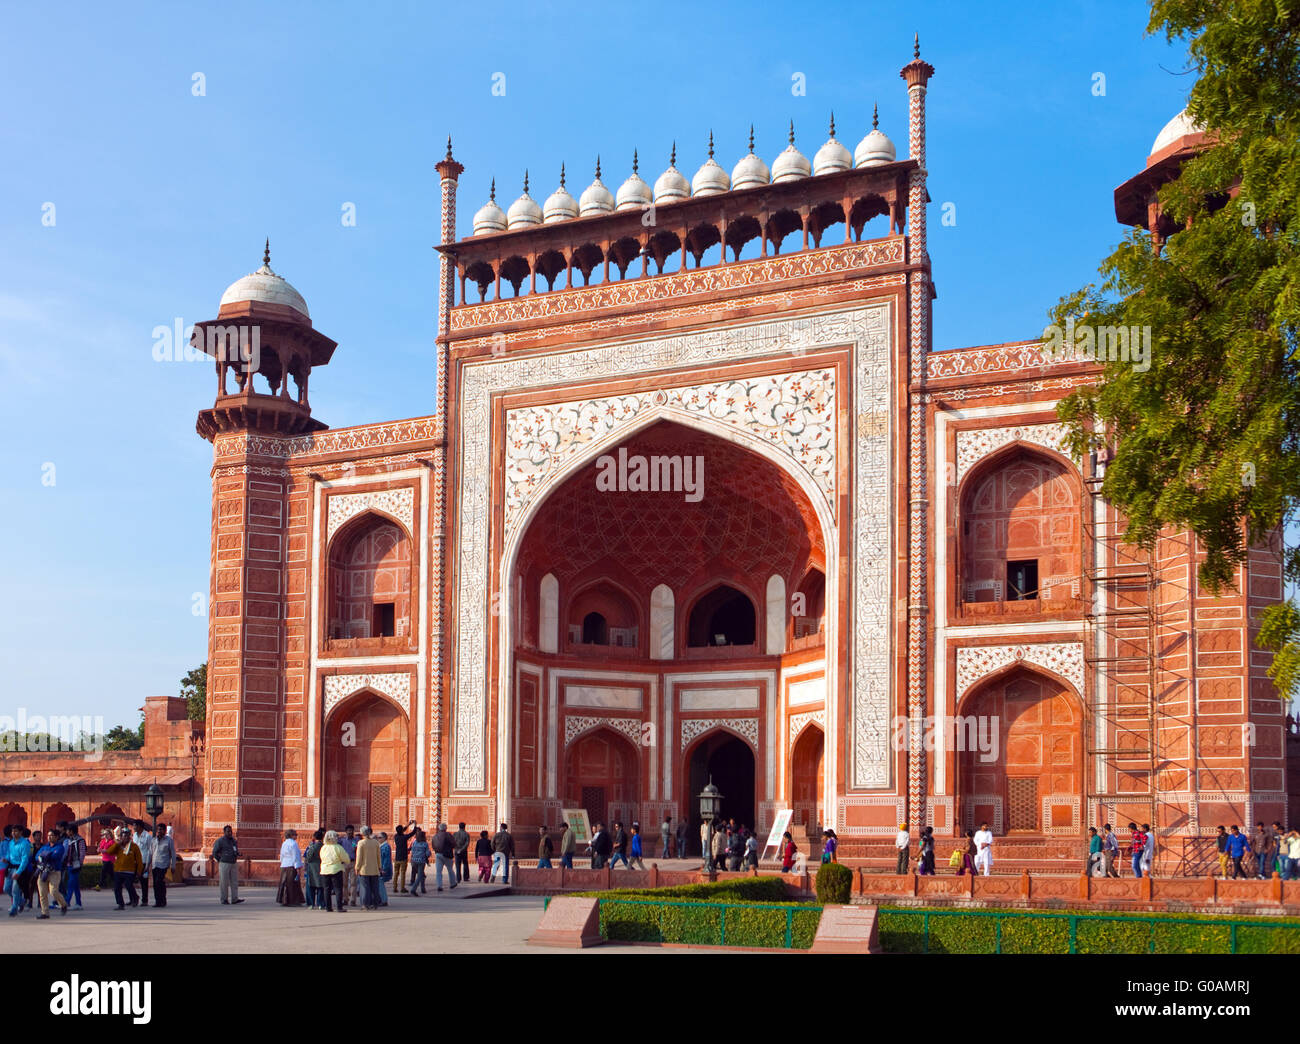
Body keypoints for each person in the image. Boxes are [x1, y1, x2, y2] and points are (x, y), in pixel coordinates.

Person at [108, 827, 143, 910]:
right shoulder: (118, 846)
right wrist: (117, 844)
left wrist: (139, 871)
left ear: (130, 837)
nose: (125, 838)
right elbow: (109, 852)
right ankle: (120, 904)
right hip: (118, 870)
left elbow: (139, 860)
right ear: (121, 837)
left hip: (129, 871)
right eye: (124, 836)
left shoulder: (134, 847)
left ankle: (135, 897)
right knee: (117, 888)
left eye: (127, 836)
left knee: (128, 885)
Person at [318, 830, 350, 913]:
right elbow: (345, 858)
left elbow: (321, 857)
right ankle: (339, 907)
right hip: (336, 869)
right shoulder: (338, 847)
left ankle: (328, 907)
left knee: (326, 889)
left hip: (325, 869)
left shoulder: (323, 847)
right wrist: (345, 862)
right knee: (338, 889)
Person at [212, 824, 243, 903]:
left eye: (231, 831)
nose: (230, 833)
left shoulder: (233, 841)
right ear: (224, 832)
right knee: (224, 882)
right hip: (224, 863)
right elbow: (215, 852)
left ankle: (234, 898)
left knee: (234, 882)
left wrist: (237, 854)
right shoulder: (220, 841)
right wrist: (220, 860)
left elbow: (235, 850)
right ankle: (224, 899)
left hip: (233, 863)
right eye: (228, 831)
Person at [354, 826, 381, 910]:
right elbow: (378, 856)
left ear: (362, 833)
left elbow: (359, 857)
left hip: (364, 869)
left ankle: (365, 904)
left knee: (365, 887)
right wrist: (379, 867)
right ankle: (375, 904)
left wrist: (357, 867)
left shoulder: (361, 843)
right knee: (374, 887)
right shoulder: (376, 842)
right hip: (374, 868)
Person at [7, 827, 31, 916]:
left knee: (15, 889)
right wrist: (6, 859)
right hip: (10, 867)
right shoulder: (11, 842)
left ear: (20, 832)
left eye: (15, 831)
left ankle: (14, 909)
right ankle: (21, 902)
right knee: (6, 888)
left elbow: (25, 859)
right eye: (12, 831)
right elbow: (9, 854)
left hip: (19, 868)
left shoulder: (24, 843)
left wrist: (19, 872)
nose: (13, 833)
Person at [277, 829, 304, 907]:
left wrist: (282, 862)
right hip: (291, 865)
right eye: (295, 834)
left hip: (284, 865)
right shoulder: (293, 843)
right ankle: (293, 900)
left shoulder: (284, 843)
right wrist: (298, 867)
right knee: (292, 884)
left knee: (284, 883)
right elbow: (295, 856)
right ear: (292, 835)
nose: (296, 836)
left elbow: (281, 855)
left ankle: (283, 899)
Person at [151, 824, 175, 907]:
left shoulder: (169, 840)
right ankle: (158, 901)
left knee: (159, 881)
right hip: (155, 864)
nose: (159, 831)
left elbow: (173, 853)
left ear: (165, 831)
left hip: (163, 864)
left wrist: (173, 865)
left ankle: (162, 900)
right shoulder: (154, 840)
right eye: (158, 829)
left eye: (161, 829)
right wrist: (147, 865)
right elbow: (150, 853)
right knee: (155, 884)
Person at [62, 824, 86, 910]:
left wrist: (80, 863)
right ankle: (78, 903)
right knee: (75, 885)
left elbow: (82, 853)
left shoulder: (80, 840)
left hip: (75, 865)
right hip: (69, 864)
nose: (67, 832)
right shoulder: (69, 840)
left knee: (70, 884)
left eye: (68, 831)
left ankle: (66, 902)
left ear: (71, 831)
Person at [132, 821, 154, 908]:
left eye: (135, 826)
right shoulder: (134, 836)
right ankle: (133, 898)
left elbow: (150, 850)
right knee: (129, 880)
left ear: (140, 826)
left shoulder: (148, 836)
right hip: (135, 861)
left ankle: (144, 900)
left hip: (144, 861)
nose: (133, 828)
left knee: (144, 882)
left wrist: (148, 864)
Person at [391, 820, 416, 894]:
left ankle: (394, 887)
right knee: (402, 873)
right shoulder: (404, 837)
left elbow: (401, 831)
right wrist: (415, 824)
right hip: (403, 858)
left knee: (396, 873)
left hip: (397, 858)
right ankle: (402, 888)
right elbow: (413, 833)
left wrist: (407, 825)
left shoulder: (396, 837)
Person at [303, 829, 325, 909]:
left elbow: (308, 857)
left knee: (311, 886)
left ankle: (311, 903)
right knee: (321, 886)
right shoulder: (324, 846)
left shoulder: (312, 846)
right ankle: (321, 903)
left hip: (312, 867)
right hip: (322, 867)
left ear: (314, 837)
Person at [432, 823, 457, 892]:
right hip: (446, 854)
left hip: (438, 854)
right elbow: (454, 844)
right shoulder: (448, 835)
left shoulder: (435, 836)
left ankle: (439, 885)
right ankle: (453, 883)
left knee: (438, 871)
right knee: (450, 869)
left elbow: (433, 845)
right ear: (445, 828)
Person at [339, 825, 359, 906]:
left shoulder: (355, 840)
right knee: (344, 883)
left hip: (353, 862)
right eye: (349, 830)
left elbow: (356, 850)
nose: (350, 832)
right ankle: (345, 899)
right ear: (346, 832)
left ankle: (353, 900)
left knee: (353, 882)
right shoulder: (342, 841)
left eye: (351, 830)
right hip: (344, 863)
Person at [409, 828, 430, 895]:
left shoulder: (414, 842)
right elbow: (427, 854)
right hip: (421, 861)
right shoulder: (425, 844)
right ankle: (413, 889)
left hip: (414, 860)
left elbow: (412, 851)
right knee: (420, 876)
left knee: (421, 874)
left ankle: (423, 888)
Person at [97, 829, 116, 893]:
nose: (105, 835)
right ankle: (117, 885)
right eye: (104, 834)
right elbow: (99, 848)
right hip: (104, 859)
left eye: (107, 834)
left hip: (110, 859)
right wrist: (99, 849)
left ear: (110, 834)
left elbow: (112, 850)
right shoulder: (103, 841)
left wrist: (106, 851)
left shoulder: (112, 842)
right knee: (111, 874)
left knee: (103, 872)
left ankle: (99, 885)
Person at [377, 832, 392, 906]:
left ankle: (384, 900)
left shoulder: (385, 847)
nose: (378, 839)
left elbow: (386, 859)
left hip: (383, 868)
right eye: (378, 838)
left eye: (380, 838)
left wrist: (384, 868)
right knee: (379, 884)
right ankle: (381, 899)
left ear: (384, 838)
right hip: (380, 867)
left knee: (380, 884)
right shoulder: (381, 846)